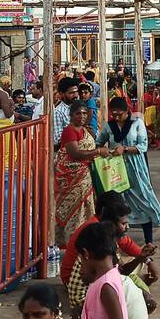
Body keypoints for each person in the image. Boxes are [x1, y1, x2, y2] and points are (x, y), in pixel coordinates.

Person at [96, 96, 160, 245]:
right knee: (117, 204)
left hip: (135, 167)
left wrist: (126, 149)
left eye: (119, 114)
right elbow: (99, 142)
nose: (116, 117)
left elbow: (143, 146)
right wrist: (105, 150)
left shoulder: (137, 123)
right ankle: (118, 241)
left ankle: (149, 240)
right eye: (113, 114)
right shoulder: (109, 126)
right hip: (116, 168)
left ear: (127, 111)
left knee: (143, 200)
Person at [55, 101, 99, 247]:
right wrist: (98, 152)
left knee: (84, 210)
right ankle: (72, 243)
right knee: (73, 211)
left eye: (84, 113)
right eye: (78, 113)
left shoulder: (86, 131)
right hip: (71, 176)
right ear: (71, 115)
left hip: (84, 176)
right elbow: (75, 153)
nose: (81, 116)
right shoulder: (70, 130)